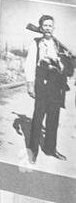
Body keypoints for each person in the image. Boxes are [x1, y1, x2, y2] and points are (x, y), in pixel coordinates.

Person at [24, 14, 74, 163]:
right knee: (38, 119)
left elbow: (68, 66)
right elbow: (30, 64)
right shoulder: (36, 43)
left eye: (50, 25)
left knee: (53, 119)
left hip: (56, 86)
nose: (47, 28)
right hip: (42, 84)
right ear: (40, 27)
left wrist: (65, 61)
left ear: (54, 28)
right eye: (45, 25)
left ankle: (50, 149)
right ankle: (32, 151)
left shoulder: (58, 45)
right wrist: (30, 85)